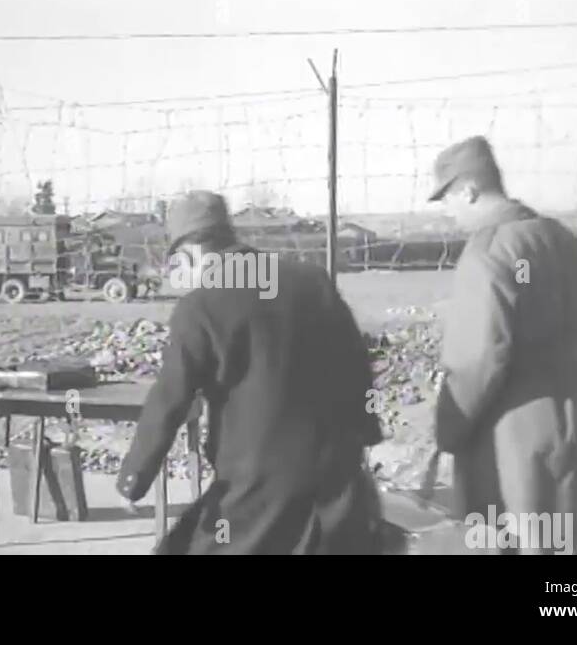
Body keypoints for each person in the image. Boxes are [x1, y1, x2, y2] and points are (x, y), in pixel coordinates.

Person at [115, 190, 383, 554]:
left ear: (189, 253)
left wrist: (134, 477)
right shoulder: (311, 280)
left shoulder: (201, 307)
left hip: (256, 495)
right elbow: (357, 366)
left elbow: (169, 400)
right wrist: (366, 433)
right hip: (337, 483)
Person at [428, 136, 577, 554]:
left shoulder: (487, 252)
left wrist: (447, 428)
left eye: (447, 200)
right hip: (574, 429)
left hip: (509, 443)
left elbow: (480, 357)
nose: (448, 214)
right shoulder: (565, 240)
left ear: (468, 190)